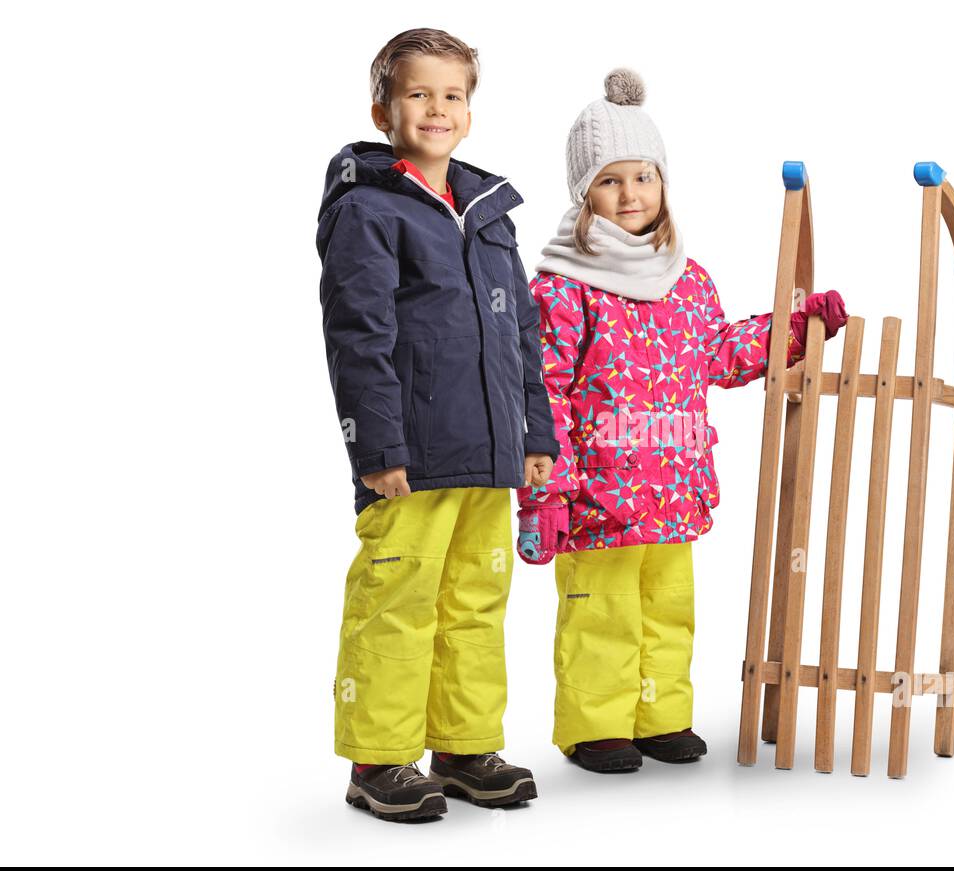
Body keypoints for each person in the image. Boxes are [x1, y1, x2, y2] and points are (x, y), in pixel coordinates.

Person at [516, 68, 848, 773]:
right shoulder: (563, 287)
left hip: (673, 490)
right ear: (584, 194)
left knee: (668, 611)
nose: (630, 194)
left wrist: (793, 331)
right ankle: (596, 725)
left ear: (664, 183)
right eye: (610, 181)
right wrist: (544, 494)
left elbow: (719, 354)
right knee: (601, 615)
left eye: (644, 177)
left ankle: (660, 714)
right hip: (599, 497)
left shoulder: (685, 278)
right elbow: (542, 394)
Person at [317, 28, 558, 820]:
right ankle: (379, 760)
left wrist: (535, 435)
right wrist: (377, 447)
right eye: (418, 93)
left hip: (489, 452)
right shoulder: (369, 209)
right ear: (383, 107)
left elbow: (522, 330)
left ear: (470, 109)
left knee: (475, 603)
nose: (437, 109)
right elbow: (359, 335)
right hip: (412, 457)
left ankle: (463, 746)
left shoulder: (490, 209)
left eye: (453, 95)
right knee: (399, 603)